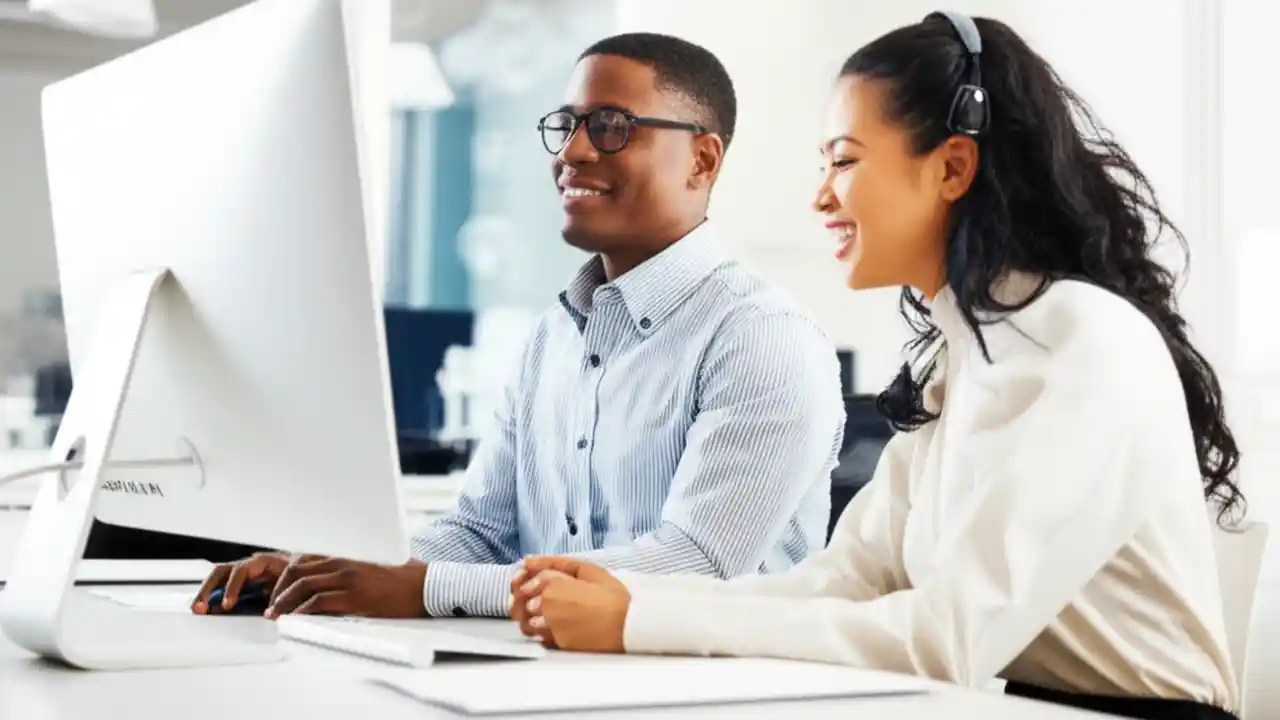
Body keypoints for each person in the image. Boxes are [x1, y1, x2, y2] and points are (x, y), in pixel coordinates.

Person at [511, 13, 1245, 720]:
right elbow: (846, 583)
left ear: (953, 167)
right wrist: (634, 600)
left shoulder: (1076, 338)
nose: (821, 195)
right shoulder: (960, 356)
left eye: (845, 160)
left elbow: (942, 638)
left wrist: (636, 622)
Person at [191, 33, 845, 621]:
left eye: (612, 126)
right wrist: (333, 568)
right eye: (565, 125)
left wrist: (424, 588)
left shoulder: (763, 335)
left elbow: (698, 566)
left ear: (702, 160)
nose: (573, 151)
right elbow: (480, 533)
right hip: (543, 681)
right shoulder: (552, 338)